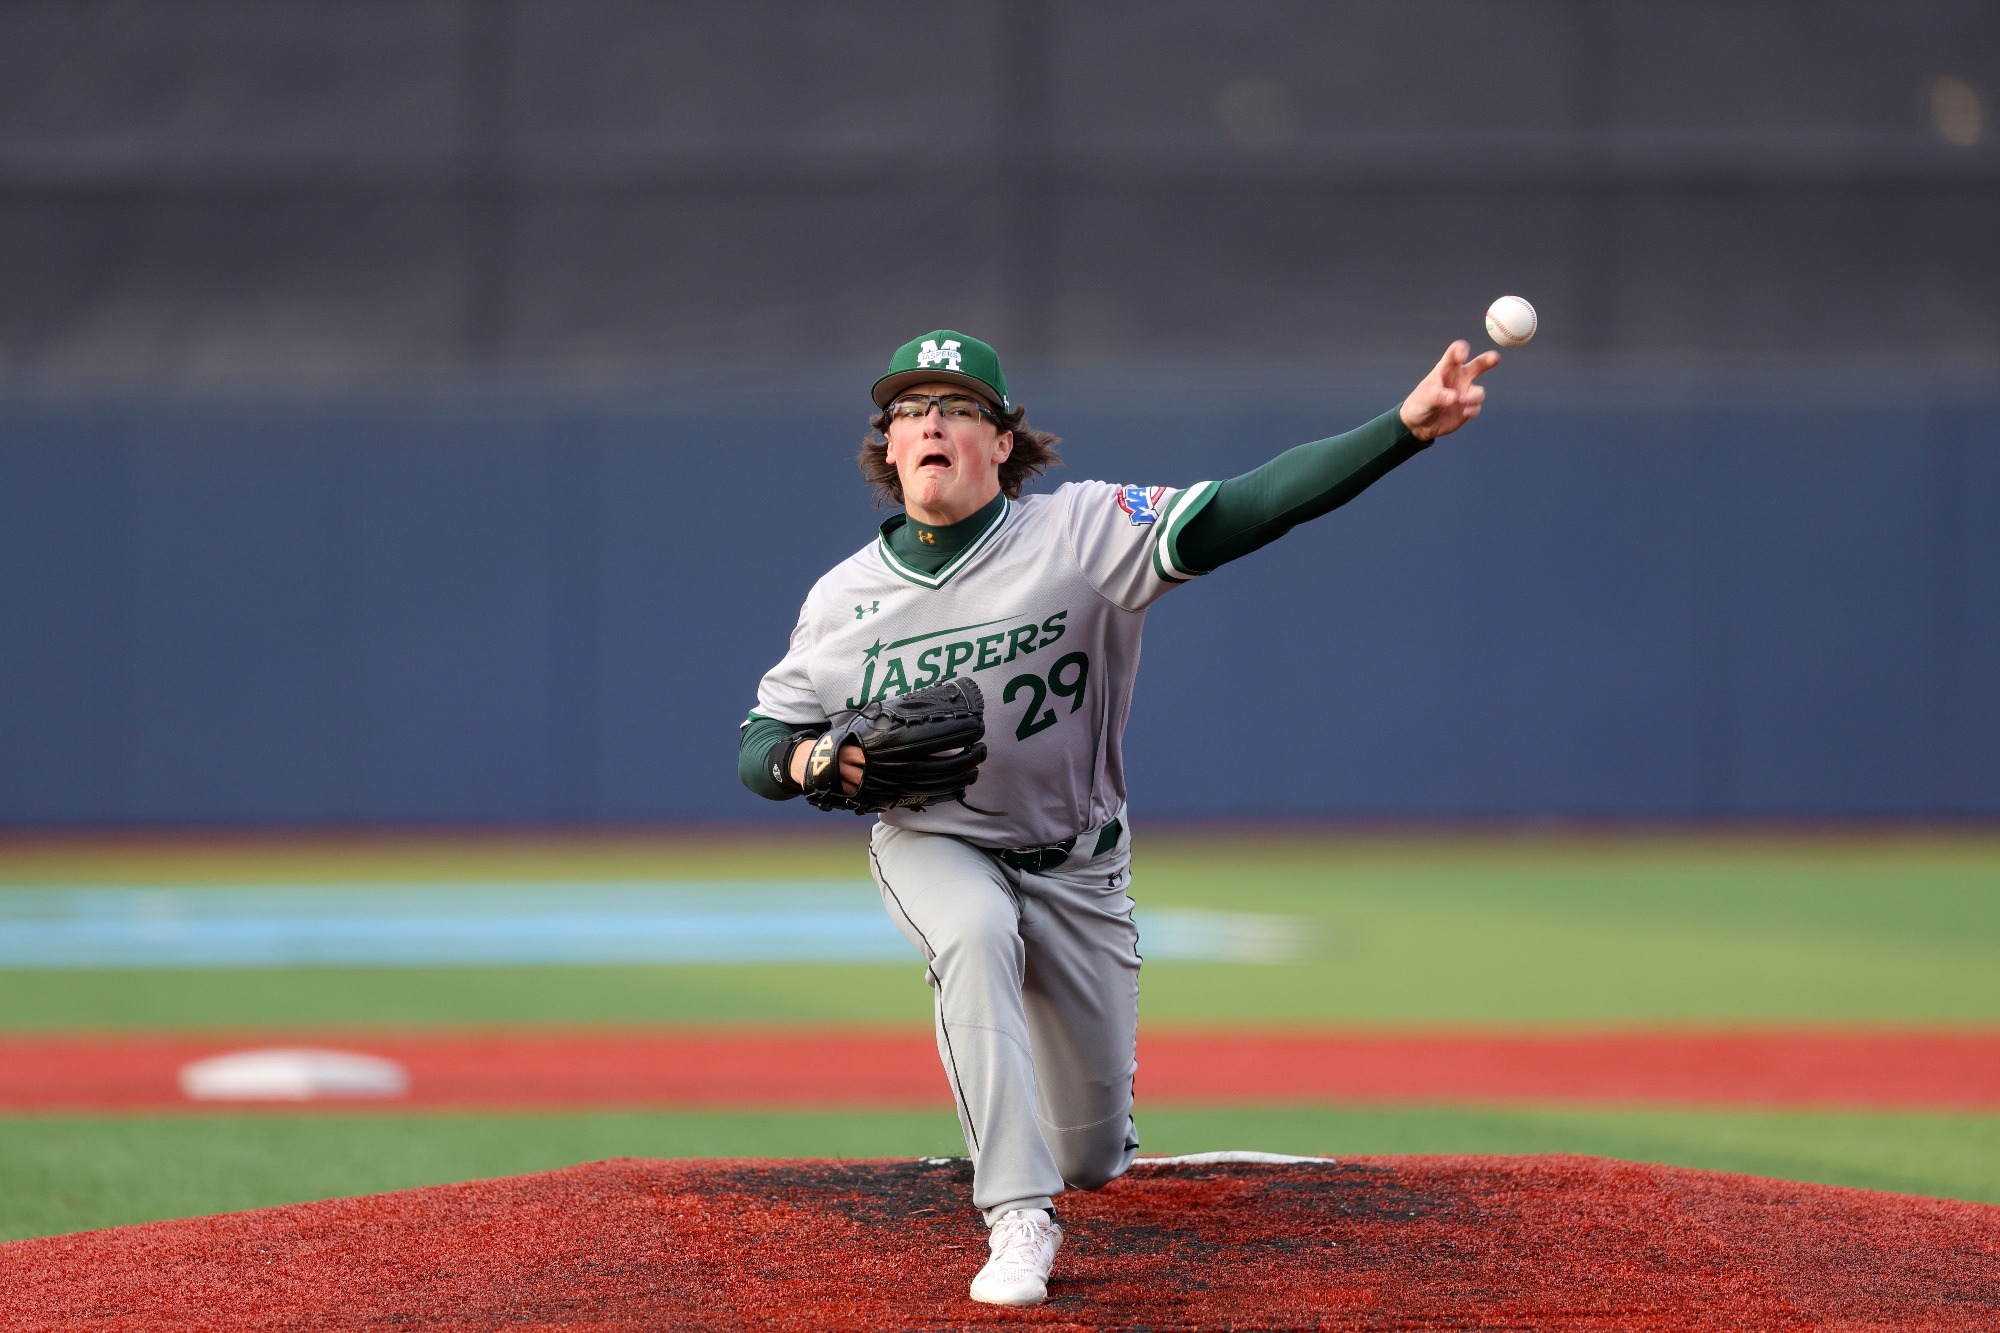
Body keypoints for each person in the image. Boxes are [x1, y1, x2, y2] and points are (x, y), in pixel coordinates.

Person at [739, 329, 1497, 1307]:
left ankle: (1042, 1150)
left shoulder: (1082, 533)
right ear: (888, 445)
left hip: (1078, 864)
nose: (931, 423)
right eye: (910, 411)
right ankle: (1016, 1213)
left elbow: (1246, 508)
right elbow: (762, 739)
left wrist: (1402, 428)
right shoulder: (842, 598)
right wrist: (806, 758)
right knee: (972, 934)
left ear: (1001, 442)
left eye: (958, 408)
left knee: (1092, 1157)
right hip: (935, 837)